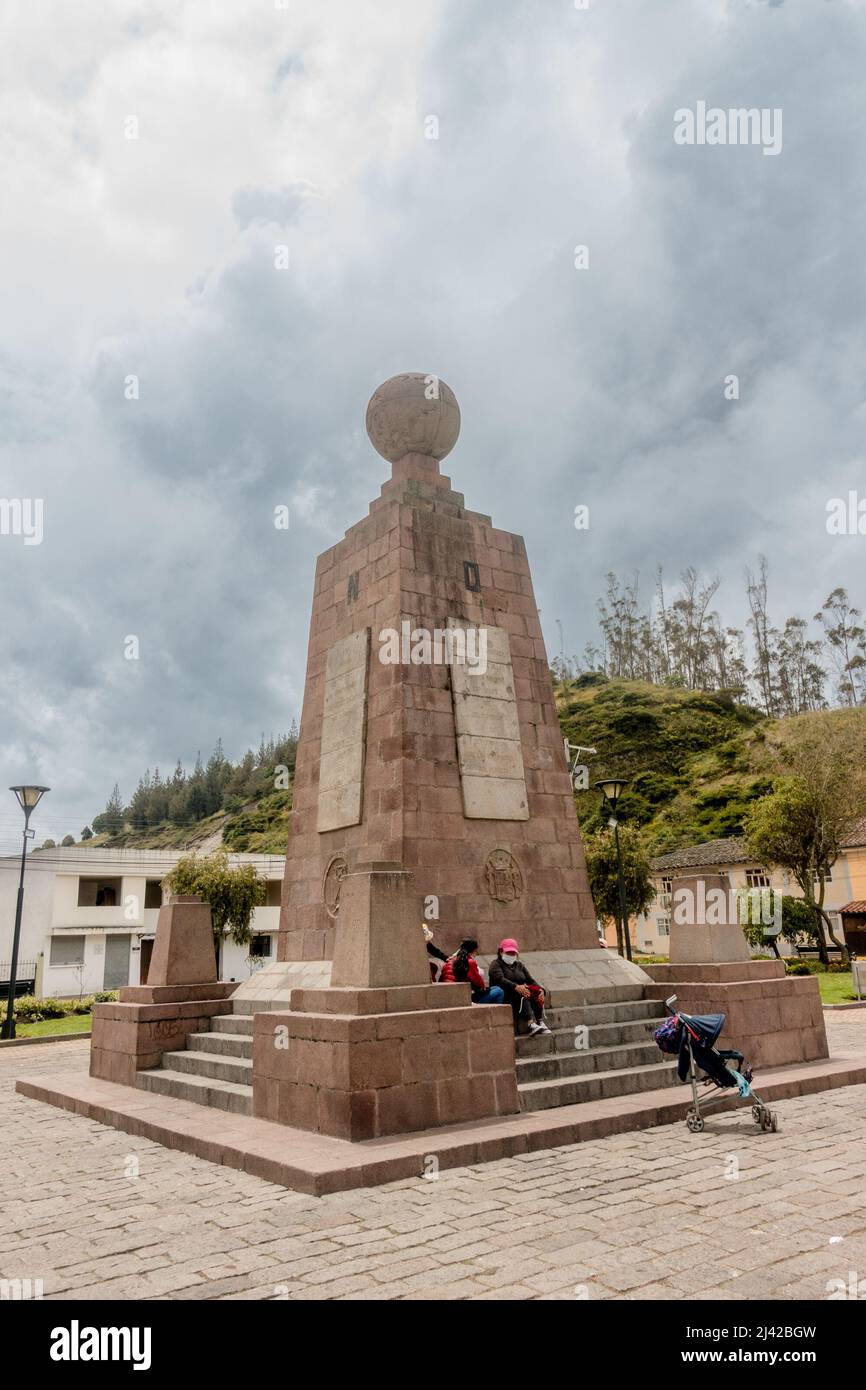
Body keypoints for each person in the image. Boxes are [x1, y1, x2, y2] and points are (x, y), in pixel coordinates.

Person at [488, 938, 551, 1035]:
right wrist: (516, 987)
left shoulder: (519, 965)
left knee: (536, 992)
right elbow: (500, 980)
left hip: (520, 993)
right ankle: (530, 1024)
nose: (511, 956)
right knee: (522, 992)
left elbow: (530, 980)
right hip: (505, 995)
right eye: (509, 953)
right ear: (501, 952)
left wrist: (541, 990)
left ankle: (539, 1021)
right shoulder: (495, 964)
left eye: (513, 954)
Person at [439, 938, 505, 1005]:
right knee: (498, 991)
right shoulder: (469, 962)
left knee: (494, 988)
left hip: (445, 996)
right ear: (474, 950)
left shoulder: (450, 961)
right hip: (460, 998)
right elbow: (481, 985)